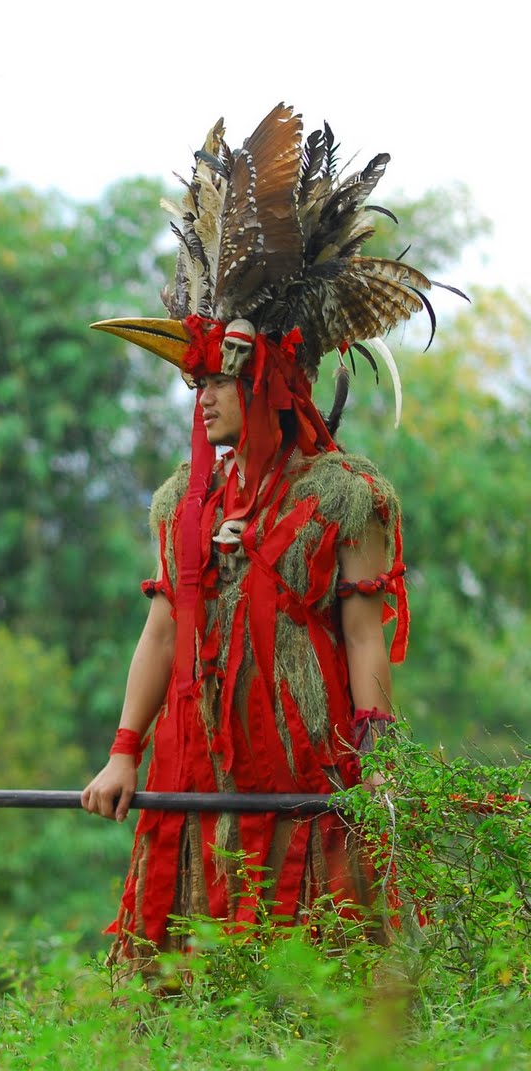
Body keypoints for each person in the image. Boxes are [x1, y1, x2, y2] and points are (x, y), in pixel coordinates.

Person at [79, 104, 460, 971]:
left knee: (327, 967)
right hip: (192, 749)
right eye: (196, 380)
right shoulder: (182, 499)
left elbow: (366, 634)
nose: (202, 397)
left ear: (272, 376)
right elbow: (163, 626)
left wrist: (379, 758)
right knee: (167, 971)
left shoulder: (347, 495)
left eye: (219, 378)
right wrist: (123, 753)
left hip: (305, 754)